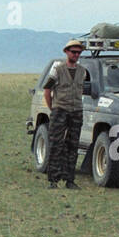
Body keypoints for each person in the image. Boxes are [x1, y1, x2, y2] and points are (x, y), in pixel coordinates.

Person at [42, 39, 87, 189]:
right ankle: (53, 180)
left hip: (76, 111)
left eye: (79, 52)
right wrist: (53, 108)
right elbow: (47, 90)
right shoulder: (58, 70)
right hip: (60, 110)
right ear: (66, 52)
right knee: (56, 144)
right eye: (73, 52)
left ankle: (70, 180)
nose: (76, 55)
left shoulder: (83, 71)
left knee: (73, 145)